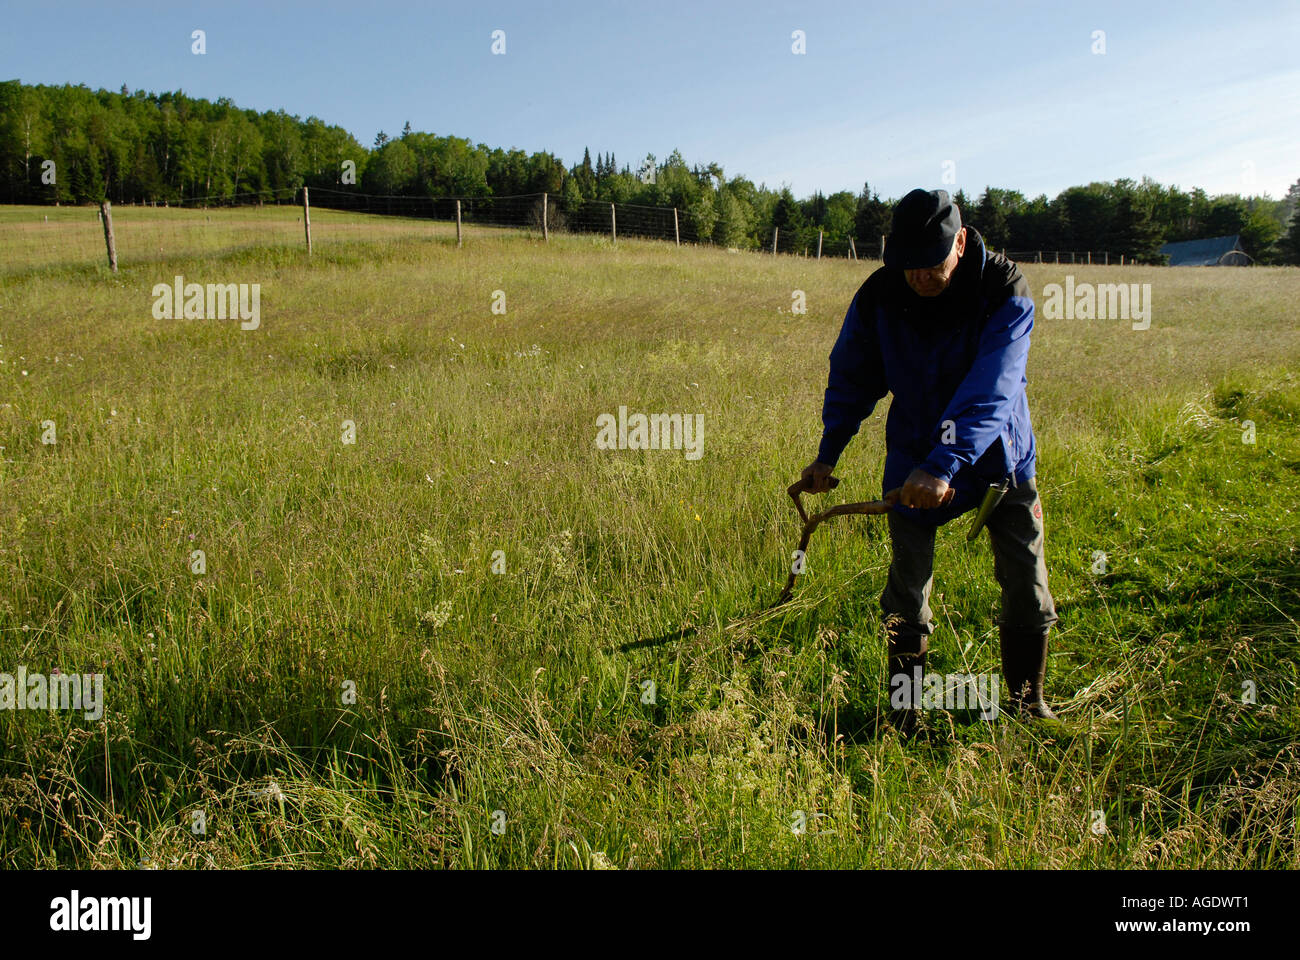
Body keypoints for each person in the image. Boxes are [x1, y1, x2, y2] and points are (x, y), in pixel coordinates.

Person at [799, 188, 1058, 731]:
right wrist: (829, 451)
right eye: (906, 265)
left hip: (998, 459)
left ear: (961, 242)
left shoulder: (1004, 289)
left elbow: (994, 387)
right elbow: (854, 373)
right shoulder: (880, 293)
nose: (917, 276)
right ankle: (903, 711)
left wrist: (944, 465)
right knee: (906, 586)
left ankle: (1026, 704)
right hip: (913, 456)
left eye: (930, 263)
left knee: (1025, 576)